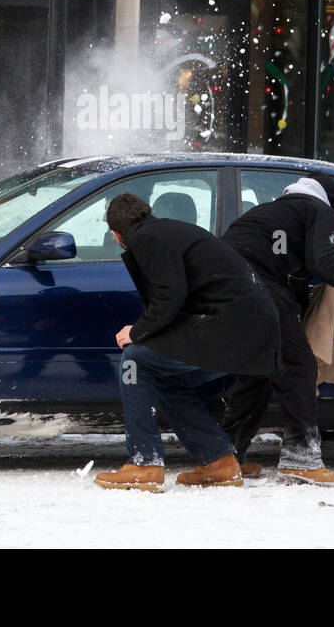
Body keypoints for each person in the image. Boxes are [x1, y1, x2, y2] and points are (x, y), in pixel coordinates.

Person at [221, 173, 334, 485]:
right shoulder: (320, 211)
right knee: (300, 367)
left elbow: (290, 268)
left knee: (257, 374)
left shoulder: (269, 212)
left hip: (225, 288)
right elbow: (325, 265)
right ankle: (301, 459)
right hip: (258, 289)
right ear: (333, 204)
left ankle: (223, 457)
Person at [94, 193, 280, 493]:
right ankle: (219, 462)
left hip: (231, 327)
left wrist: (138, 331)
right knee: (161, 373)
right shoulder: (164, 231)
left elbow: (171, 294)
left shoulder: (147, 239)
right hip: (248, 329)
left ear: (117, 234)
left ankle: (144, 464)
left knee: (136, 359)